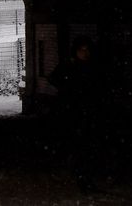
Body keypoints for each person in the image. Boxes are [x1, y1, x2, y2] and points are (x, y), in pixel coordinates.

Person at [48, 35, 105, 193]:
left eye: (87, 50)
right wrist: (68, 89)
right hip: (73, 113)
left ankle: (85, 177)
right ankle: (82, 178)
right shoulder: (69, 66)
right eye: (82, 50)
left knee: (87, 148)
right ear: (76, 51)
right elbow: (54, 78)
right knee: (80, 147)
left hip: (88, 113)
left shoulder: (92, 67)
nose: (85, 53)